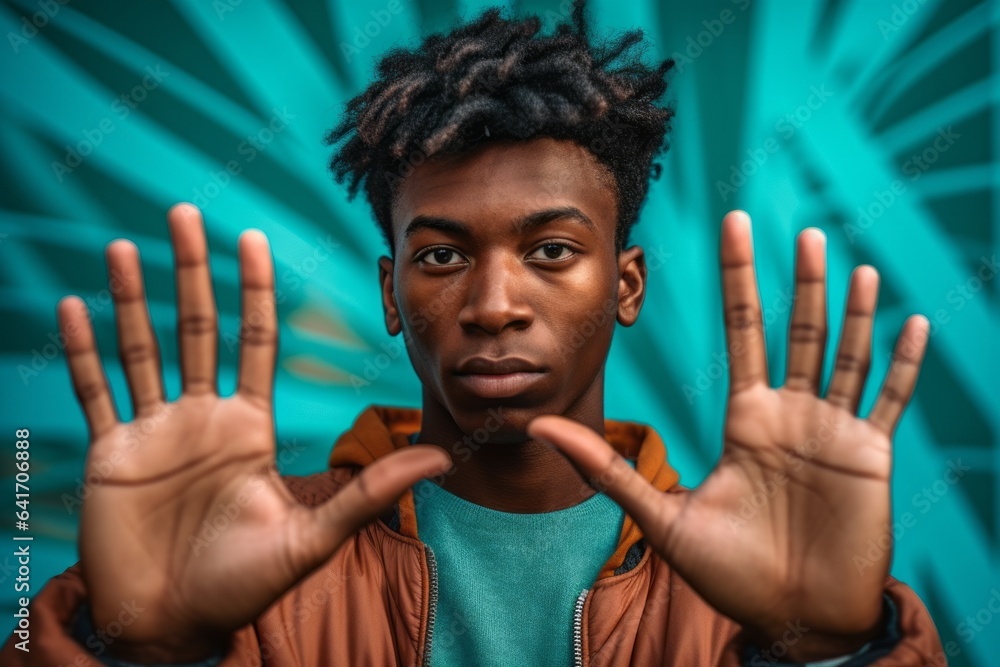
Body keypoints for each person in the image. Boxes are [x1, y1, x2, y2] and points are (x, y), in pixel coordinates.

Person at [3, 2, 944, 665]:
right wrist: (145, 647)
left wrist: (828, 653)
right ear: (391, 290)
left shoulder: (742, 578)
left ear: (626, 283)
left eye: (551, 250)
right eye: (444, 257)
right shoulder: (249, 562)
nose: (495, 302)